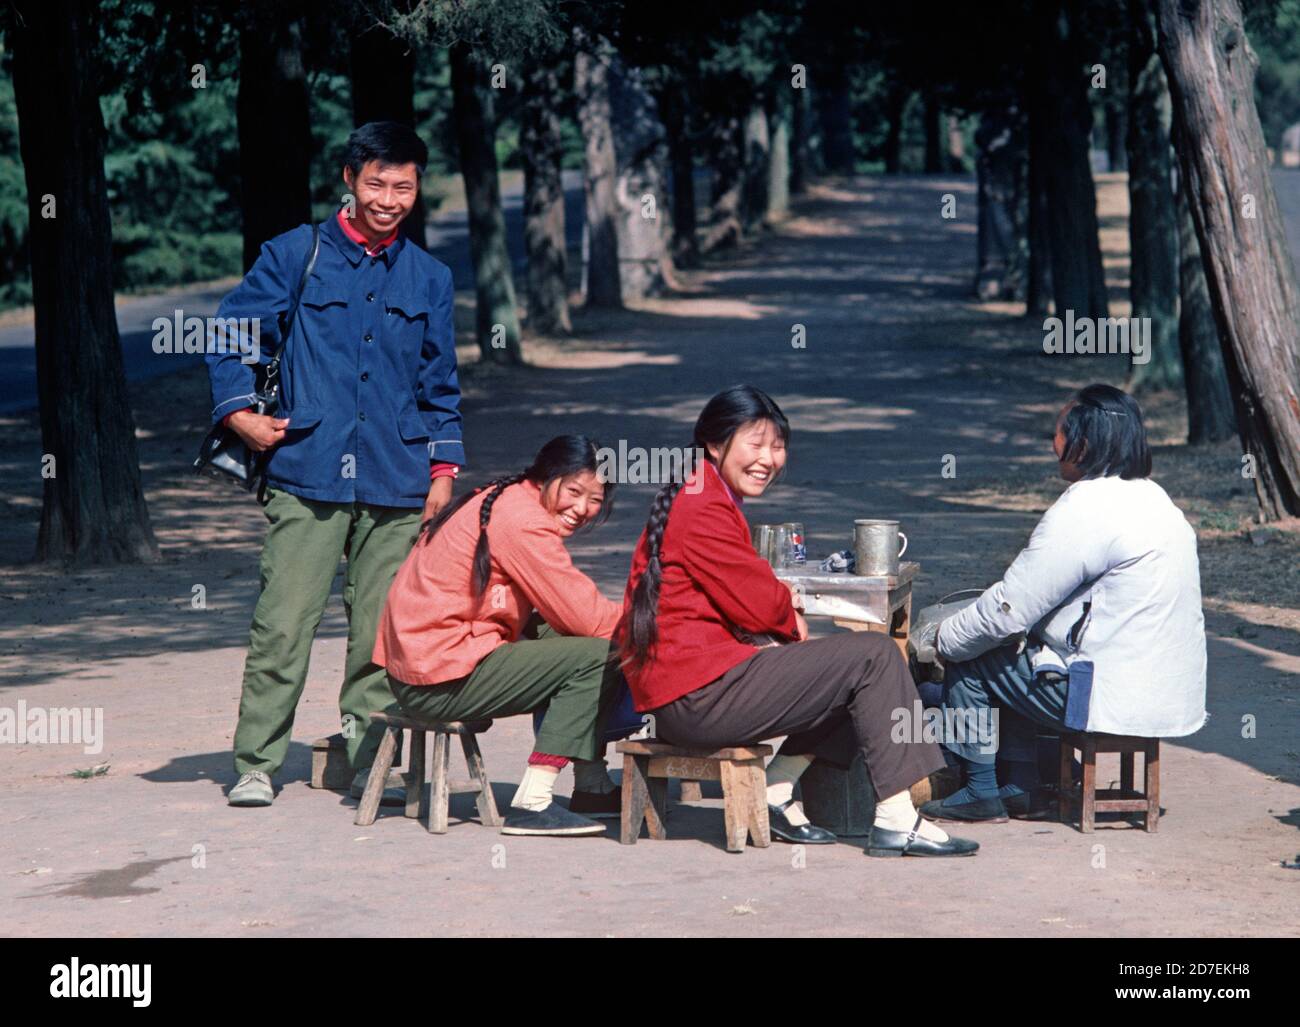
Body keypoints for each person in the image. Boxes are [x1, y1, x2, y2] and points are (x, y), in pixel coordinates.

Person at [210, 122, 464, 808]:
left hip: (398, 476)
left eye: (403, 186)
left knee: (381, 628)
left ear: (417, 189)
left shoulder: (431, 277)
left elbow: (440, 385)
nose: (388, 198)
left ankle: (366, 758)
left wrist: (443, 471)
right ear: (348, 180)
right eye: (376, 183)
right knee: (284, 620)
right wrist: (238, 412)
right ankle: (258, 761)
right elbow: (232, 332)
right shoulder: (298, 253)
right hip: (307, 469)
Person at [618, 385, 979, 857]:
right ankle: (896, 818)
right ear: (713, 443)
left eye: (778, 446)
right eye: (755, 443)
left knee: (848, 667)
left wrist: (779, 617)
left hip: (692, 690)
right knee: (872, 656)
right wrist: (787, 611)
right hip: (697, 698)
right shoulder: (702, 506)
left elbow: (739, 597)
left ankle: (776, 789)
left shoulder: (702, 493)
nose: (768, 459)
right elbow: (758, 603)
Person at [921, 384, 1207, 823]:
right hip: (1167, 696)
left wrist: (946, 638)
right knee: (1020, 656)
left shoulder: (1088, 508)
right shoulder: (1156, 500)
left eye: (1058, 432)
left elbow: (1010, 607)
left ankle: (981, 791)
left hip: (1108, 697)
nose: (1053, 444)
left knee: (974, 656)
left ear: (1084, 443)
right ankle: (1021, 787)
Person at [374, 436, 627, 837]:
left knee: (562, 634)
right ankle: (534, 802)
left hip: (424, 665)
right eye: (574, 491)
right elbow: (590, 618)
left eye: (594, 500)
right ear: (546, 477)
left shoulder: (507, 497)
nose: (582, 509)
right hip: (439, 679)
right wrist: (661, 626)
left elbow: (563, 615)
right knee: (598, 655)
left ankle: (592, 785)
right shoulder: (523, 520)